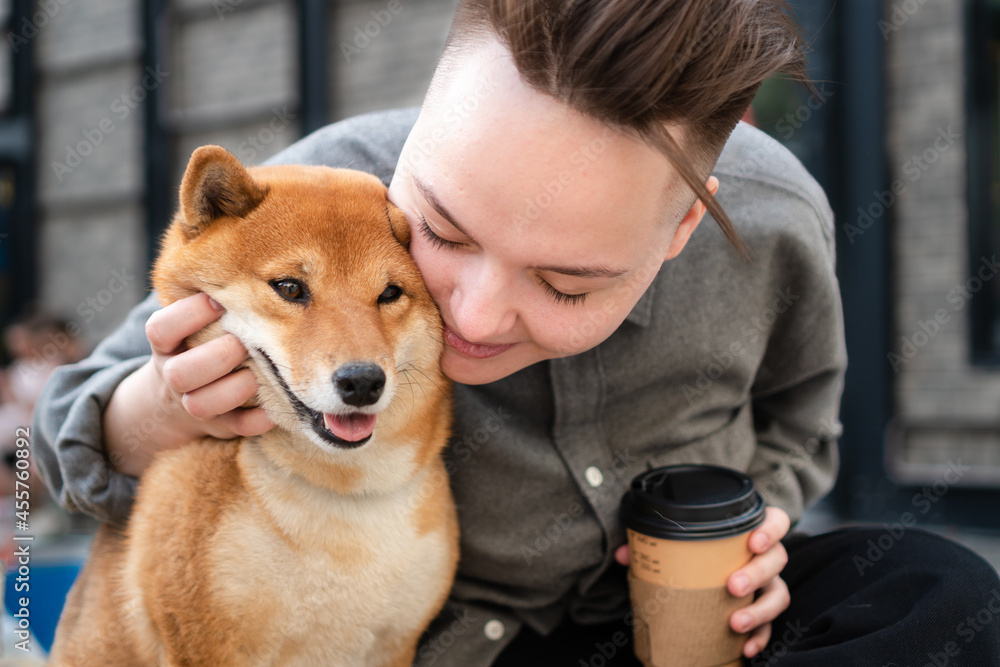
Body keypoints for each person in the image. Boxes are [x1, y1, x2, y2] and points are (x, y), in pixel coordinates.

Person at [33, 0, 1000, 664]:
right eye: (444, 232)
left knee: (941, 591)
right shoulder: (319, 200)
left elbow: (799, 422)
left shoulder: (779, 221)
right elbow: (59, 432)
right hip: (436, 637)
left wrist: (754, 530)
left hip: (664, 624)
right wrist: (154, 407)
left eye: (568, 282)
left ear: (685, 223)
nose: (475, 315)